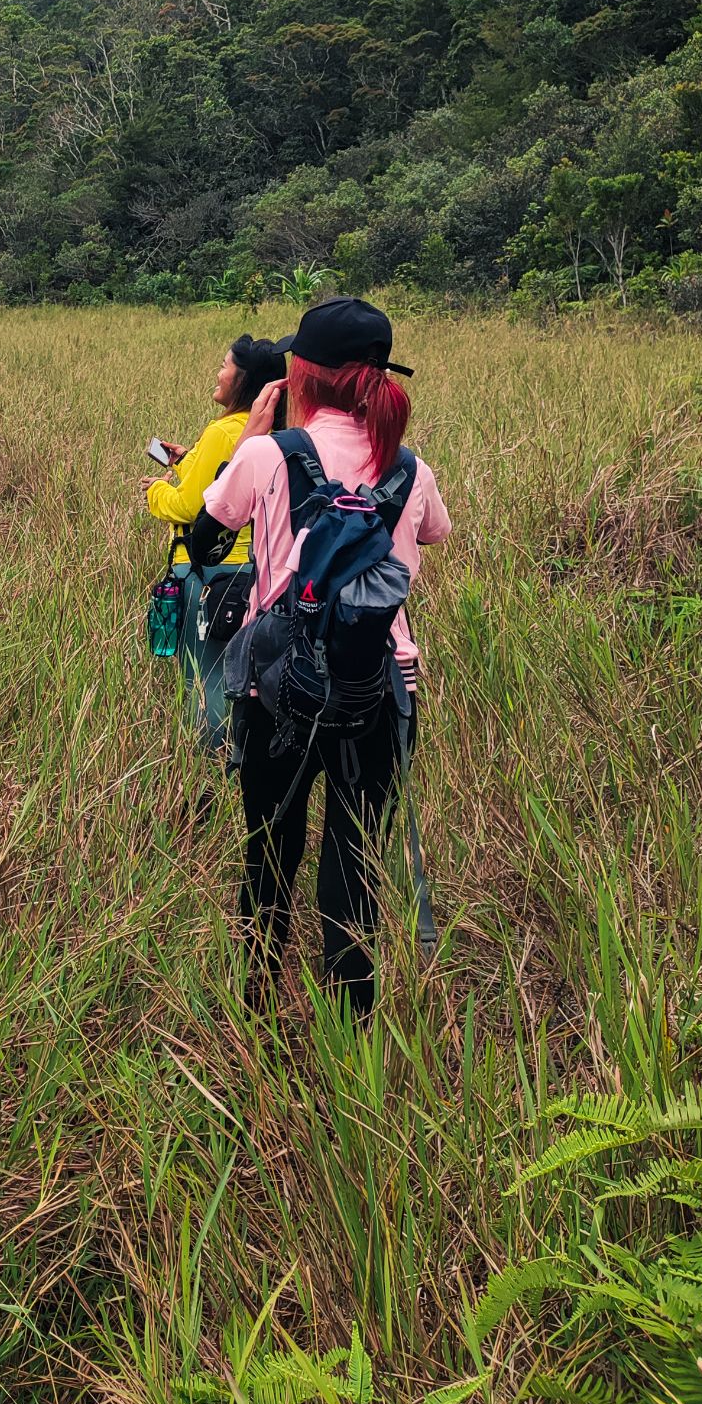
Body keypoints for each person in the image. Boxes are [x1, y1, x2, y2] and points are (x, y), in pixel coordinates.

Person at [189, 298, 451, 1020]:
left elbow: (205, 542)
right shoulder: (410, 469)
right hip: (382, 685)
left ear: (302, 373)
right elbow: (434, 534)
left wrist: (254, 434)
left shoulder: (269, 454)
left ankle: (257, 1004)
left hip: (281, 688)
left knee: (269, 853)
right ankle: (352, 1028)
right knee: (354, 858)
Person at [143, 336, 286, 752]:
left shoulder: (223, 430)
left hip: (208, 574)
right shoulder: (276, 434)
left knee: (205, 679)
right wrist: (187, 459)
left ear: (243, 380)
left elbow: (190, 506)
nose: (219, 372)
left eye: (225, 365)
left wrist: (156, 491)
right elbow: (223, 477)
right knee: (244, 679)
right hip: (255, 573)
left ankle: (209, 772)